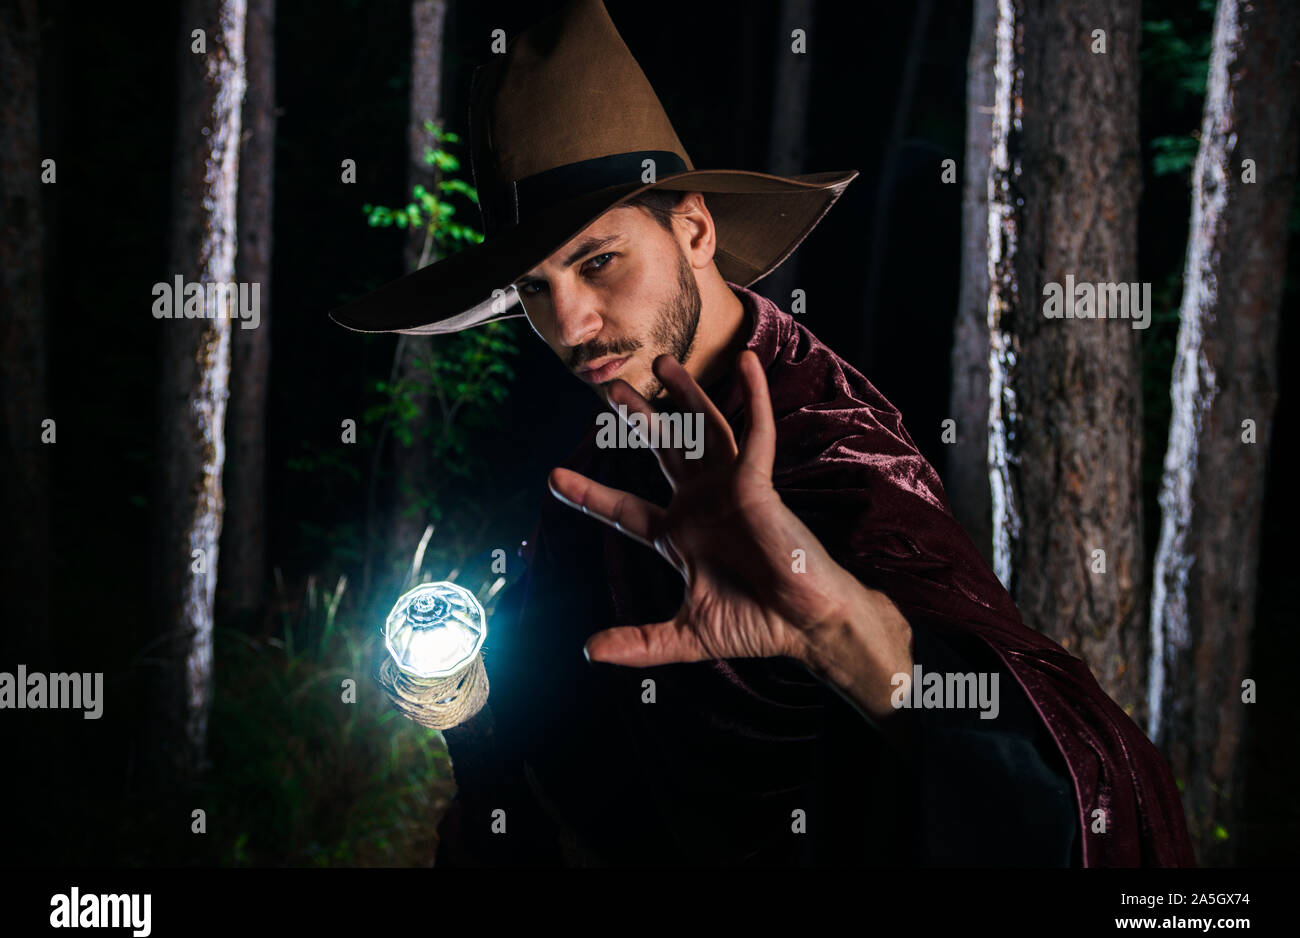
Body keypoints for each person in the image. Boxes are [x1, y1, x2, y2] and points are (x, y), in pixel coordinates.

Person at [331, 0, 1194, 867]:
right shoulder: (618, 435)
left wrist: (846, 636)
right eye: (533, 288)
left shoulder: (832, 443)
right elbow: (566, 731)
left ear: (695, 229)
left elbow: (1082, 790)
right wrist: (464, 697)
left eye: (598, 261)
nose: (572, 323)